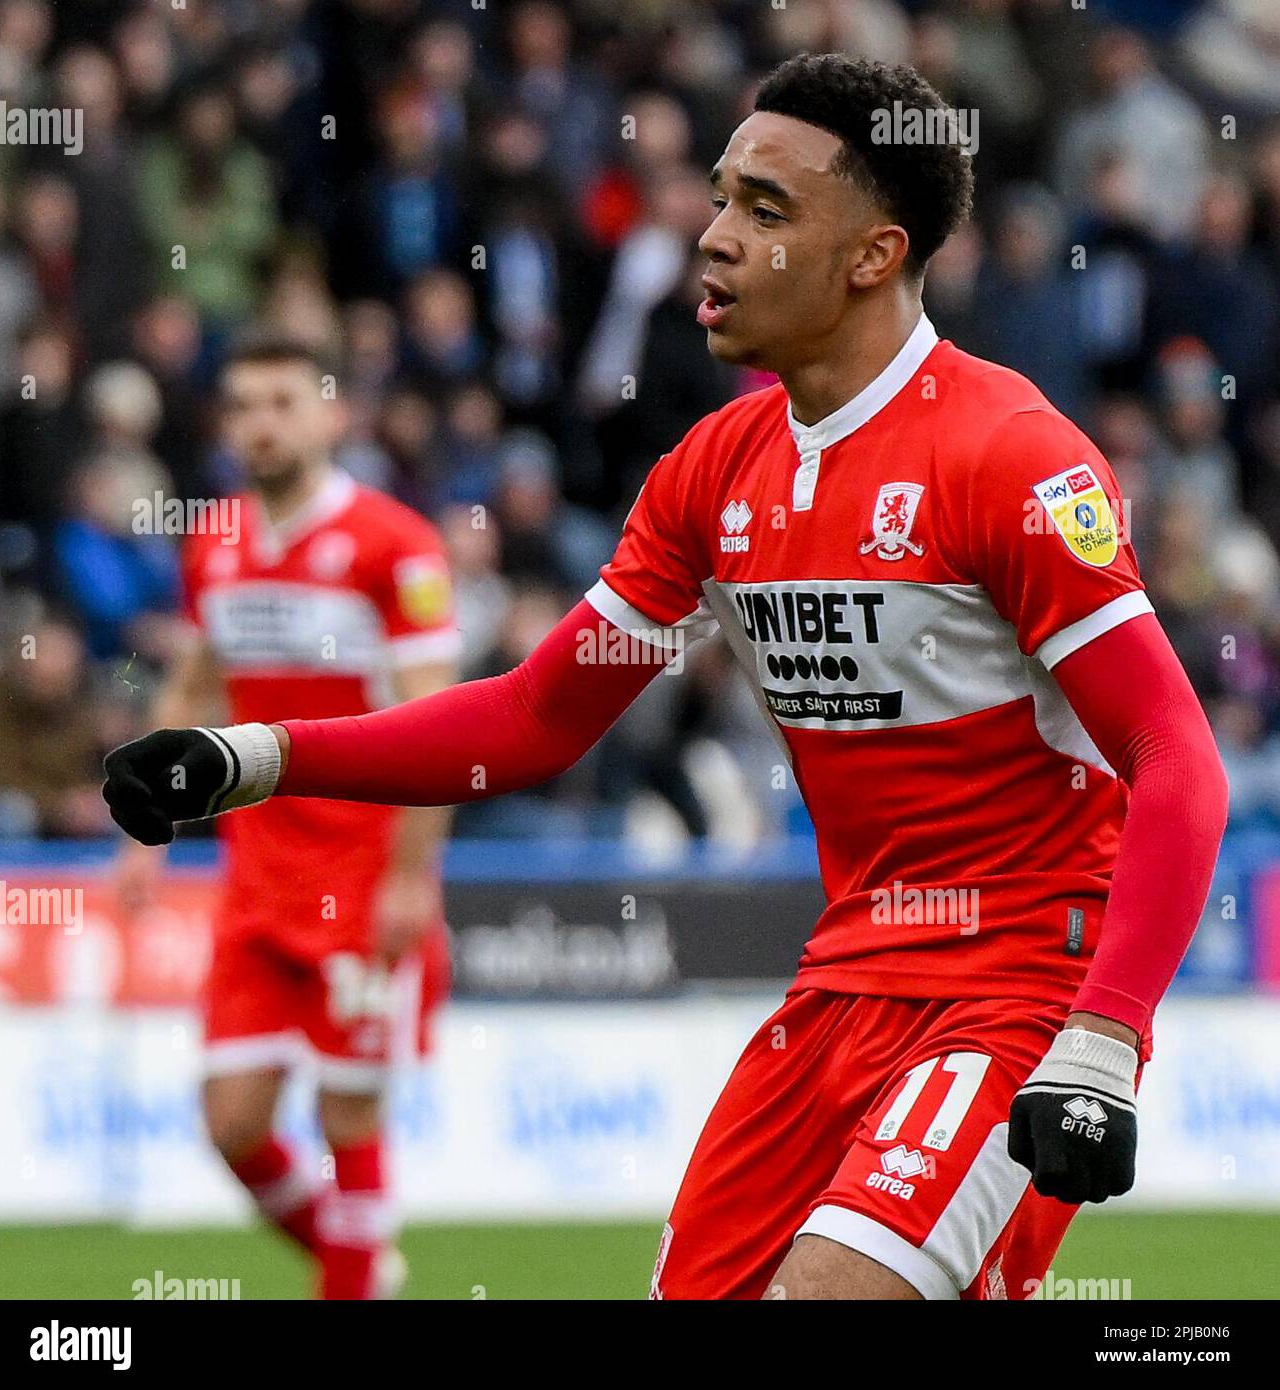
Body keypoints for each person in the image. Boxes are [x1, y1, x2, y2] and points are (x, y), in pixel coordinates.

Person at [104, 56, 1227, 1301]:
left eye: (764, 208)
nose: (712, 235)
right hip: (842, 982)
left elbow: (1177, 757)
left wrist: (1104, 1036)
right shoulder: (711, 470)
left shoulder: (1009, 457)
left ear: (871, 254)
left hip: (1019, 988)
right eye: (717, 200)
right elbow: (533, 718)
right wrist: (251, 758)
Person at [113, 337, 459, 1299]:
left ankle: (348, 1281)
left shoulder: (395, 546)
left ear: (330, 415)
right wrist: (142, 833)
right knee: (231, 1124)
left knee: (350, 1118)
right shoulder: (216, 540)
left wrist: (407, 876)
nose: (259, 423)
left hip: (360, 873)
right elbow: (195, 680)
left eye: (280, 402)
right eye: (241, 405)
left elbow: (435, 726)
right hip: (257, 877)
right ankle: (361, 1269)